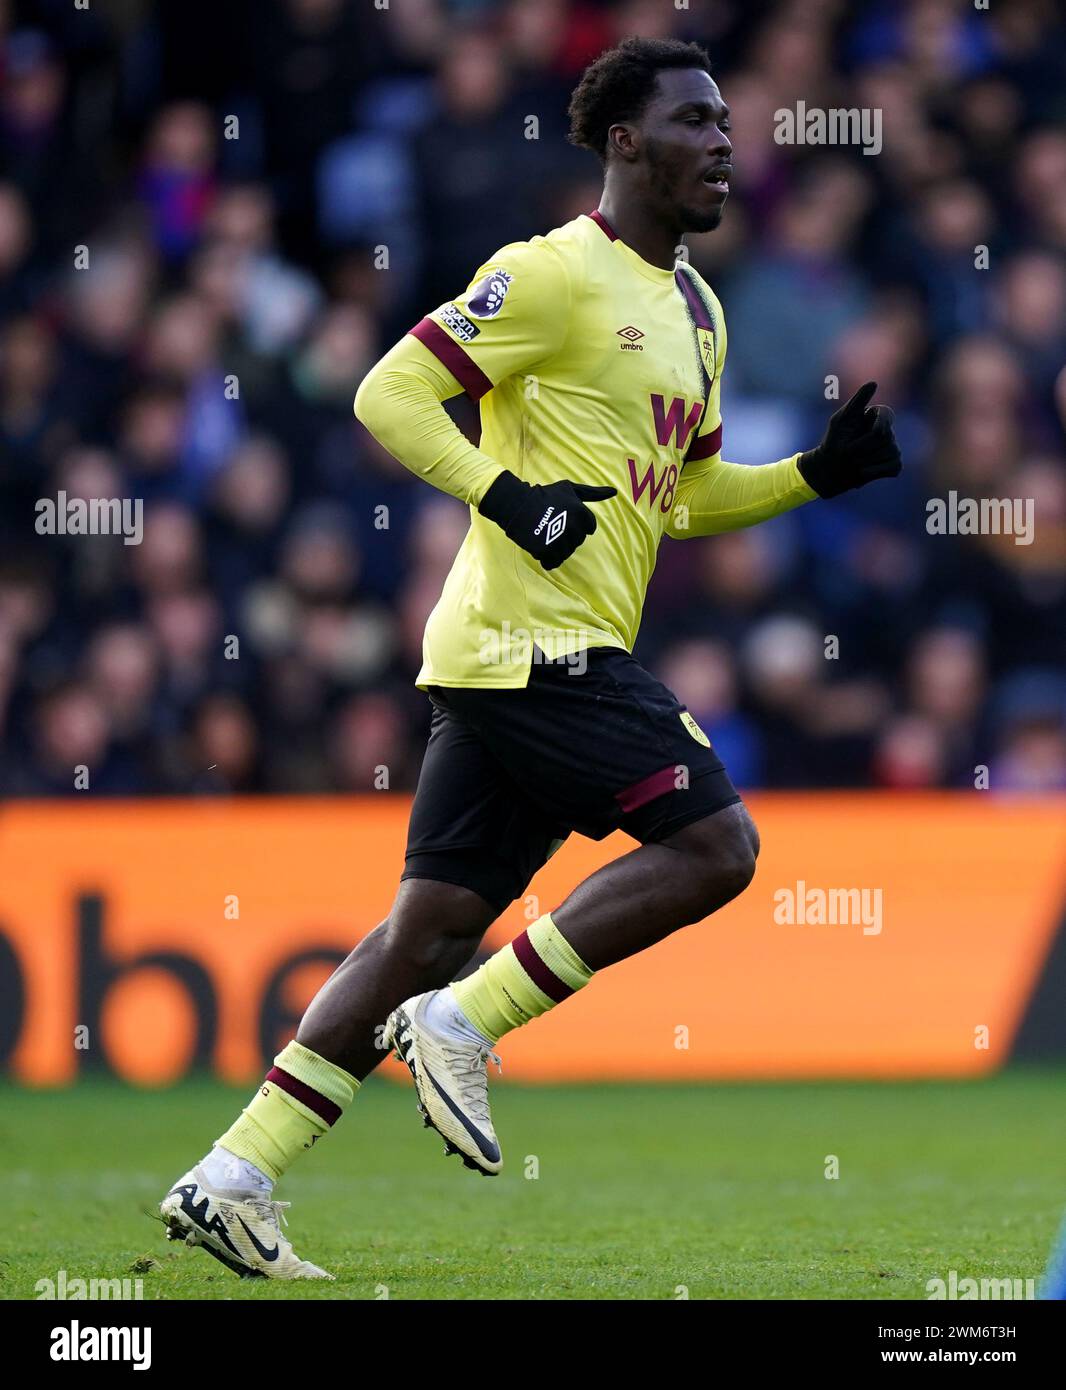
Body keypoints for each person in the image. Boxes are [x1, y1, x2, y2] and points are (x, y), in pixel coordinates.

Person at [159, 35, 901, 1279]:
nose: (726, 143)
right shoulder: (550, 274)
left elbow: (680, 499)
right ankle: (462, 1025)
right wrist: (502, 495)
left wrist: (810, 477)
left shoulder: (700, 313)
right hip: (528, 644)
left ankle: (231, 1175)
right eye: (696, 122)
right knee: (717, 844)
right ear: (625, 142)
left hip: (527, 656)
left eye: (728, 123)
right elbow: (387, 393)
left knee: (423, 929)